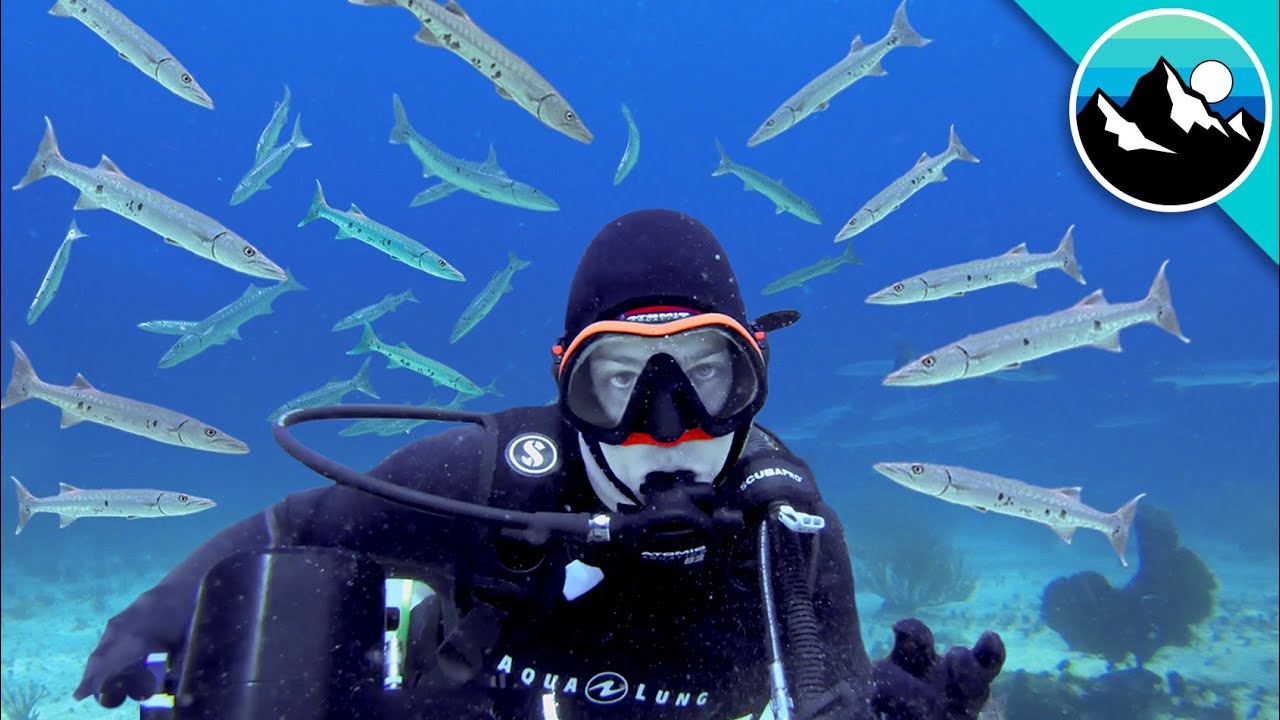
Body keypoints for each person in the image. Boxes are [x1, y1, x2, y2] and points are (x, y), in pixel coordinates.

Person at [74, 209, 1004, 720]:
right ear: (565, 385)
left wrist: (900, 706)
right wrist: (150, 616)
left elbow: (829, 698)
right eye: (619, 384)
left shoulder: (786, 536)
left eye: (707, 377)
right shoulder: (486, 480)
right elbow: (295, 528)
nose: (666, 427)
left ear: (755, 375)